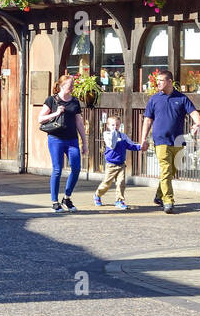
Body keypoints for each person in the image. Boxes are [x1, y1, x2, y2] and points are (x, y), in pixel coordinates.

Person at [139, 70, 200, 214]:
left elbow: (193, 112)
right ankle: (168, 201)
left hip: (177, 141)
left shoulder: (181, 98)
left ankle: (159, 195)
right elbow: (147, 120)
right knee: (166, 169)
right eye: (158, 80)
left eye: (161, 80)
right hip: (160, 140)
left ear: (169, 82)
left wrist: (197, 123)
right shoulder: (154, 99)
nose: (158, 83)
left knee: (172, 171)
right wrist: (143, 138)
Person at [39, 73, 85, 213]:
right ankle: (55, 201)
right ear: (61, 86)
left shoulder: (75, 102)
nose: (71, 88)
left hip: (72, 139)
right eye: (69, 85)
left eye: (72, 85)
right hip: (56, 139)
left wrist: (84, 141)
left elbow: (79, 122)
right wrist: (56, 113)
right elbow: (40, 119)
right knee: (57, 169)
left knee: (76, 168)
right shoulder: (52, 100)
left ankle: (67, 197)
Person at [93, 113, 142, 209]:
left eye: (117, 125)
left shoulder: (123, 136)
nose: (115, 127)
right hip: (111, 164)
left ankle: (119, 201)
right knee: (106, 183)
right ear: (108, 126)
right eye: (113, 125)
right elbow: (111, 144)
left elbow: (130, 145)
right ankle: (97, 195)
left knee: (121, 182)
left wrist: (141, 147)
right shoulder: (106, 134)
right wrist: (114, 134)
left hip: (121, 165)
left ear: (120, 125)